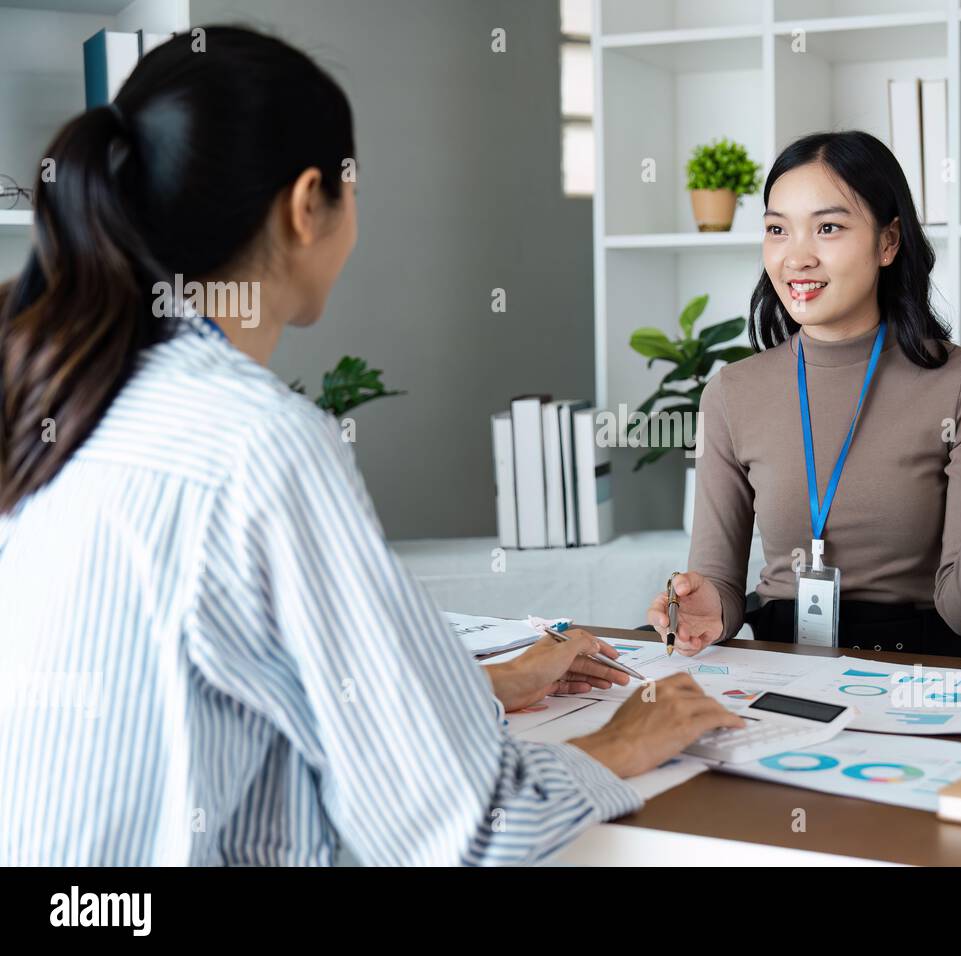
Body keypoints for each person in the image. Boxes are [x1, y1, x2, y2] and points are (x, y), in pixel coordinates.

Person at [0, 26, 740, 866]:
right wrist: (625, 741)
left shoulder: (60, 397)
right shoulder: (262, 446)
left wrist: (482, 687)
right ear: (307, 201)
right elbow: (465, 829)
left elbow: (221, 694)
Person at [646, 131, 961, 655]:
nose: (797, 258)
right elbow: (718, 582)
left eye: (828, 228)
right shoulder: (731, 393)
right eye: (777, 229)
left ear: (888, 242)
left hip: (916, 674)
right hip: (781, 674)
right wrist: (709, 609)